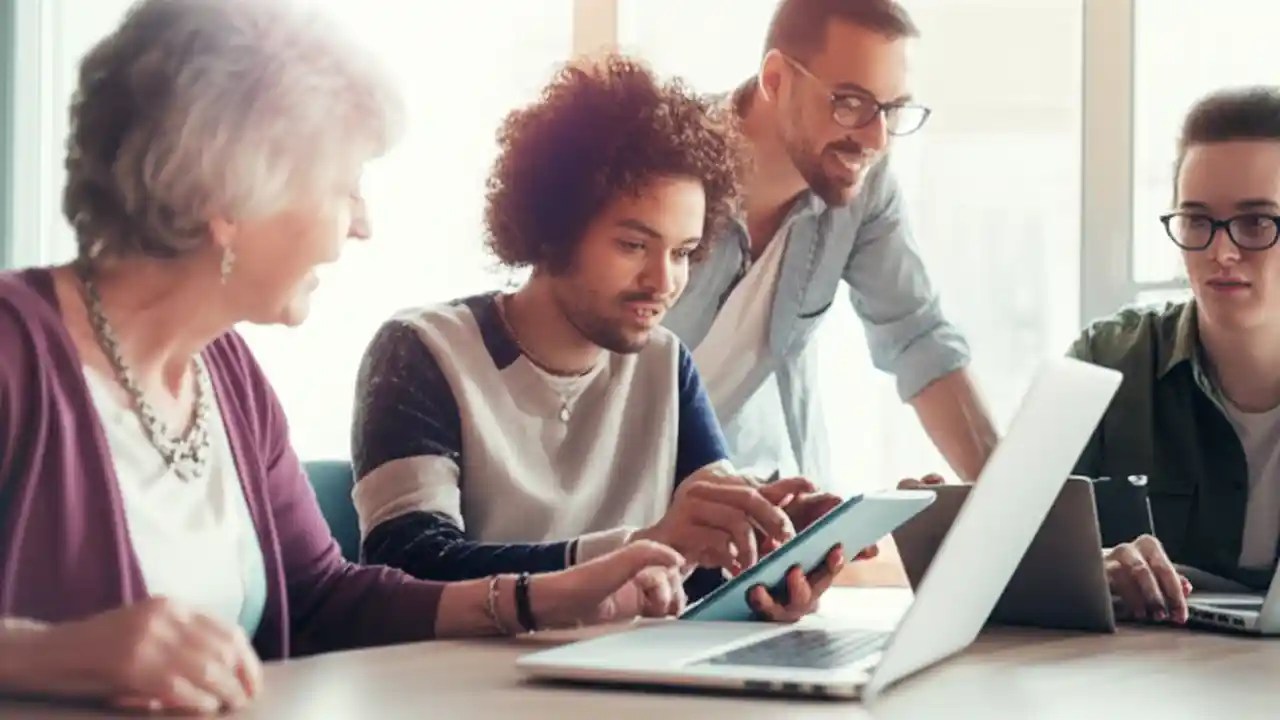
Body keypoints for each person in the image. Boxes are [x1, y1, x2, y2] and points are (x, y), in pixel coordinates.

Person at [0, 1, 687, 714]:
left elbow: (324, 599)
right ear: (231, 196)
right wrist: (63, 654)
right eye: (342, 188)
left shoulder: (226, 374)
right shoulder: (16, 350)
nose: (361, 224)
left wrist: (548, 595)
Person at [352, 55, 872, 619]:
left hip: (612, 672)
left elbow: (697, 570)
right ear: (553, 226)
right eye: (633, 246)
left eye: (682, 252)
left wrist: (771, 562)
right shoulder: (424, 352)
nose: (664, 282)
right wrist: (638, 548)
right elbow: (409, 566)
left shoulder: (666, 365)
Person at [661, 0, 998, 485]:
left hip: (759, 494)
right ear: (776, 80)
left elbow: (918, 338)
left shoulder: (863, 189)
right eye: (850, 103)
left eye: (891, 109)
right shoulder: (663, 169)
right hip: (632, 502)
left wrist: (1019, 508)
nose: (876, 139)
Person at [1070, 86, 1280, 624]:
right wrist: (1090, 567)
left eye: (1257, 223)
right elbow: (1010, 550)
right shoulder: (1105, 363)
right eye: (1197, 221)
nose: (1221, 252)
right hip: (1143, 672)